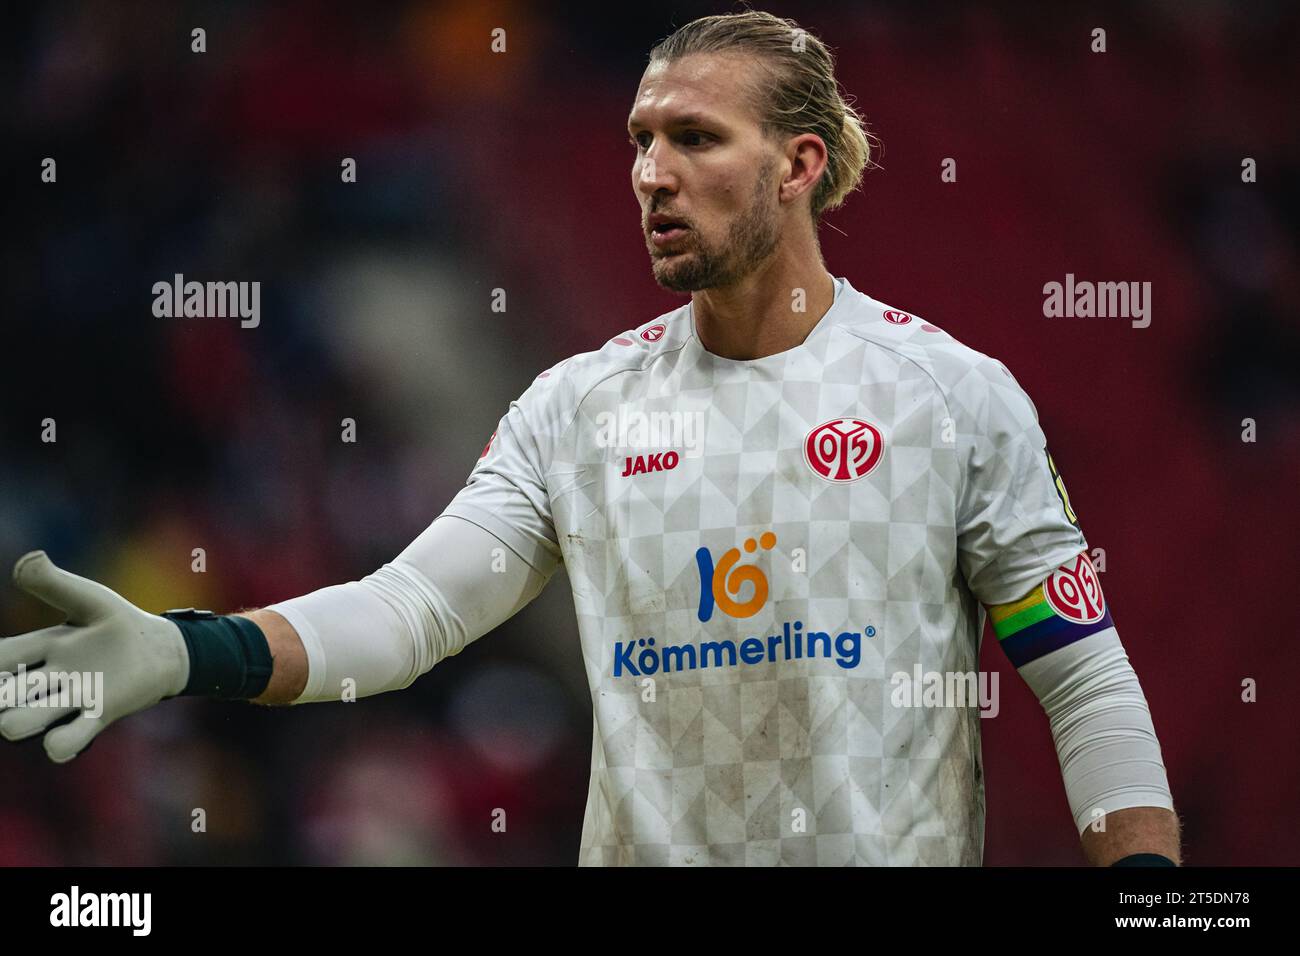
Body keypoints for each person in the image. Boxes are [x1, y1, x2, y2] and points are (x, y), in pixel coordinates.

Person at [0, 10, 1178, 866]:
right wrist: (186, 648)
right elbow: (404, 615)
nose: (651, 174)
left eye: (695, 139)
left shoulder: (952, 397)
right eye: (639, 140)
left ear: (798, 166)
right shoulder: (577, 408)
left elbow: (1082, 677)